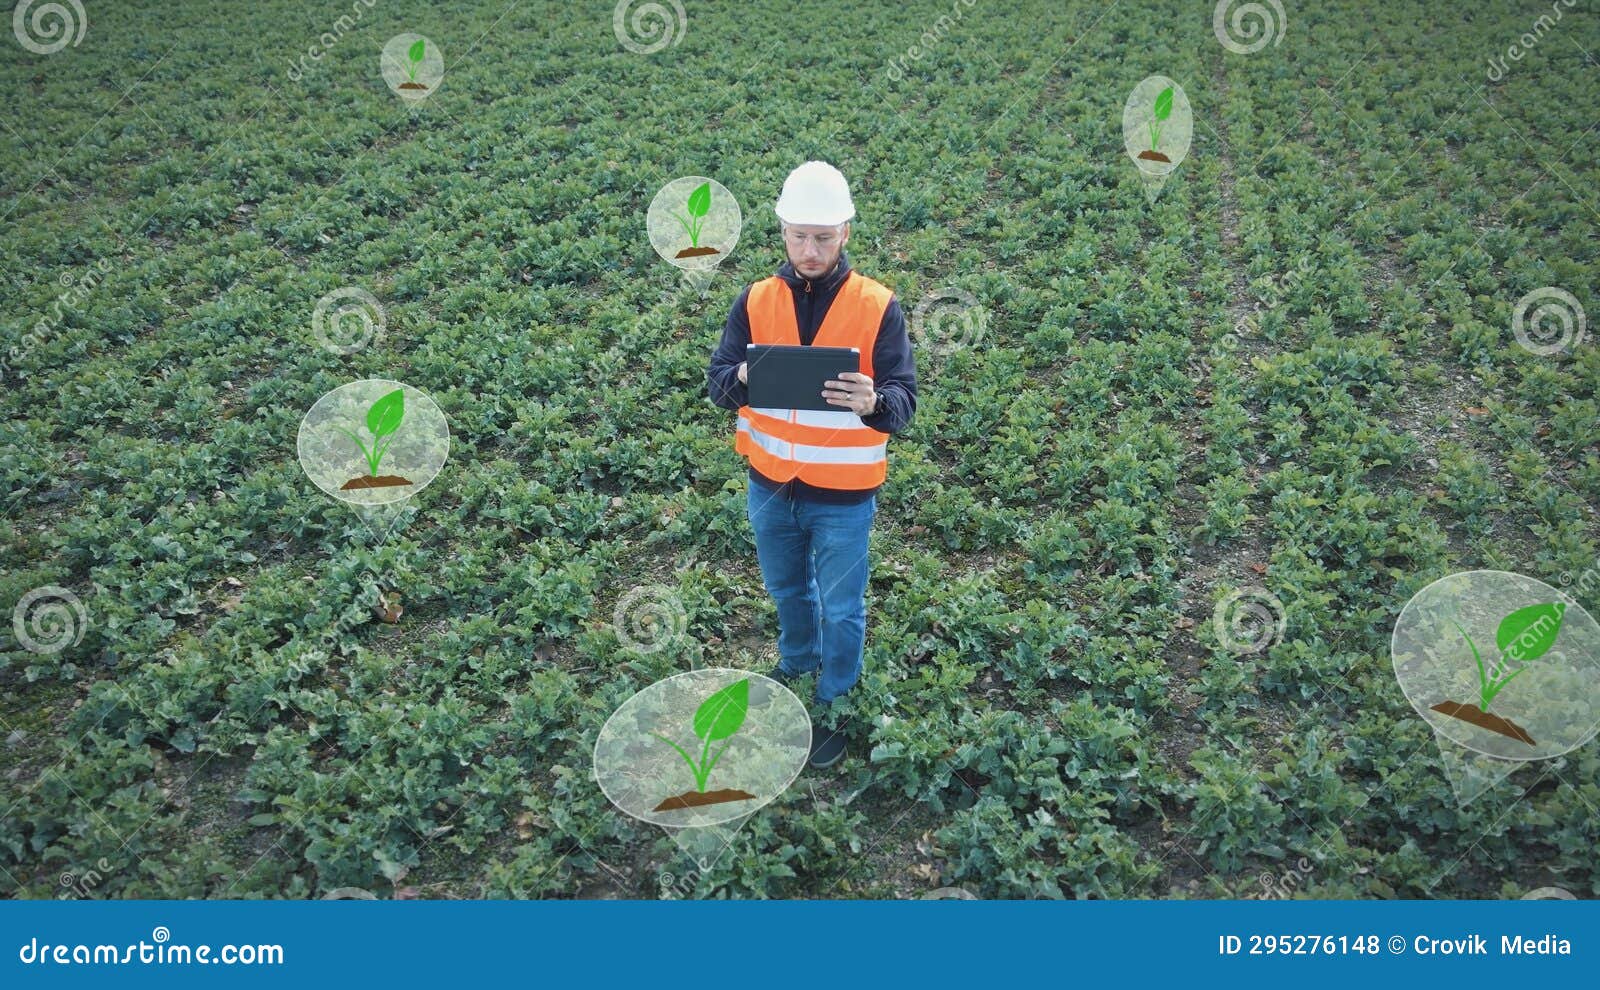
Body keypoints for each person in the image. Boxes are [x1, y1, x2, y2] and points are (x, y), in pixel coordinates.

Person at [706, 160, 918, 768]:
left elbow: (903, 403)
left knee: (844, 604)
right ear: (782, 231)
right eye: (798, 235)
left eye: (823, 237)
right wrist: (743, 375)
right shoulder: (754, 300)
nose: (809, 249)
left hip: (843, 496)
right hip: (770, 486)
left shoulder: (879, 306)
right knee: (785, 587)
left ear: (846, 232)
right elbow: (719, 385)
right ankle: (797, 660)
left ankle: (833, 698)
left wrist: (874, 402)